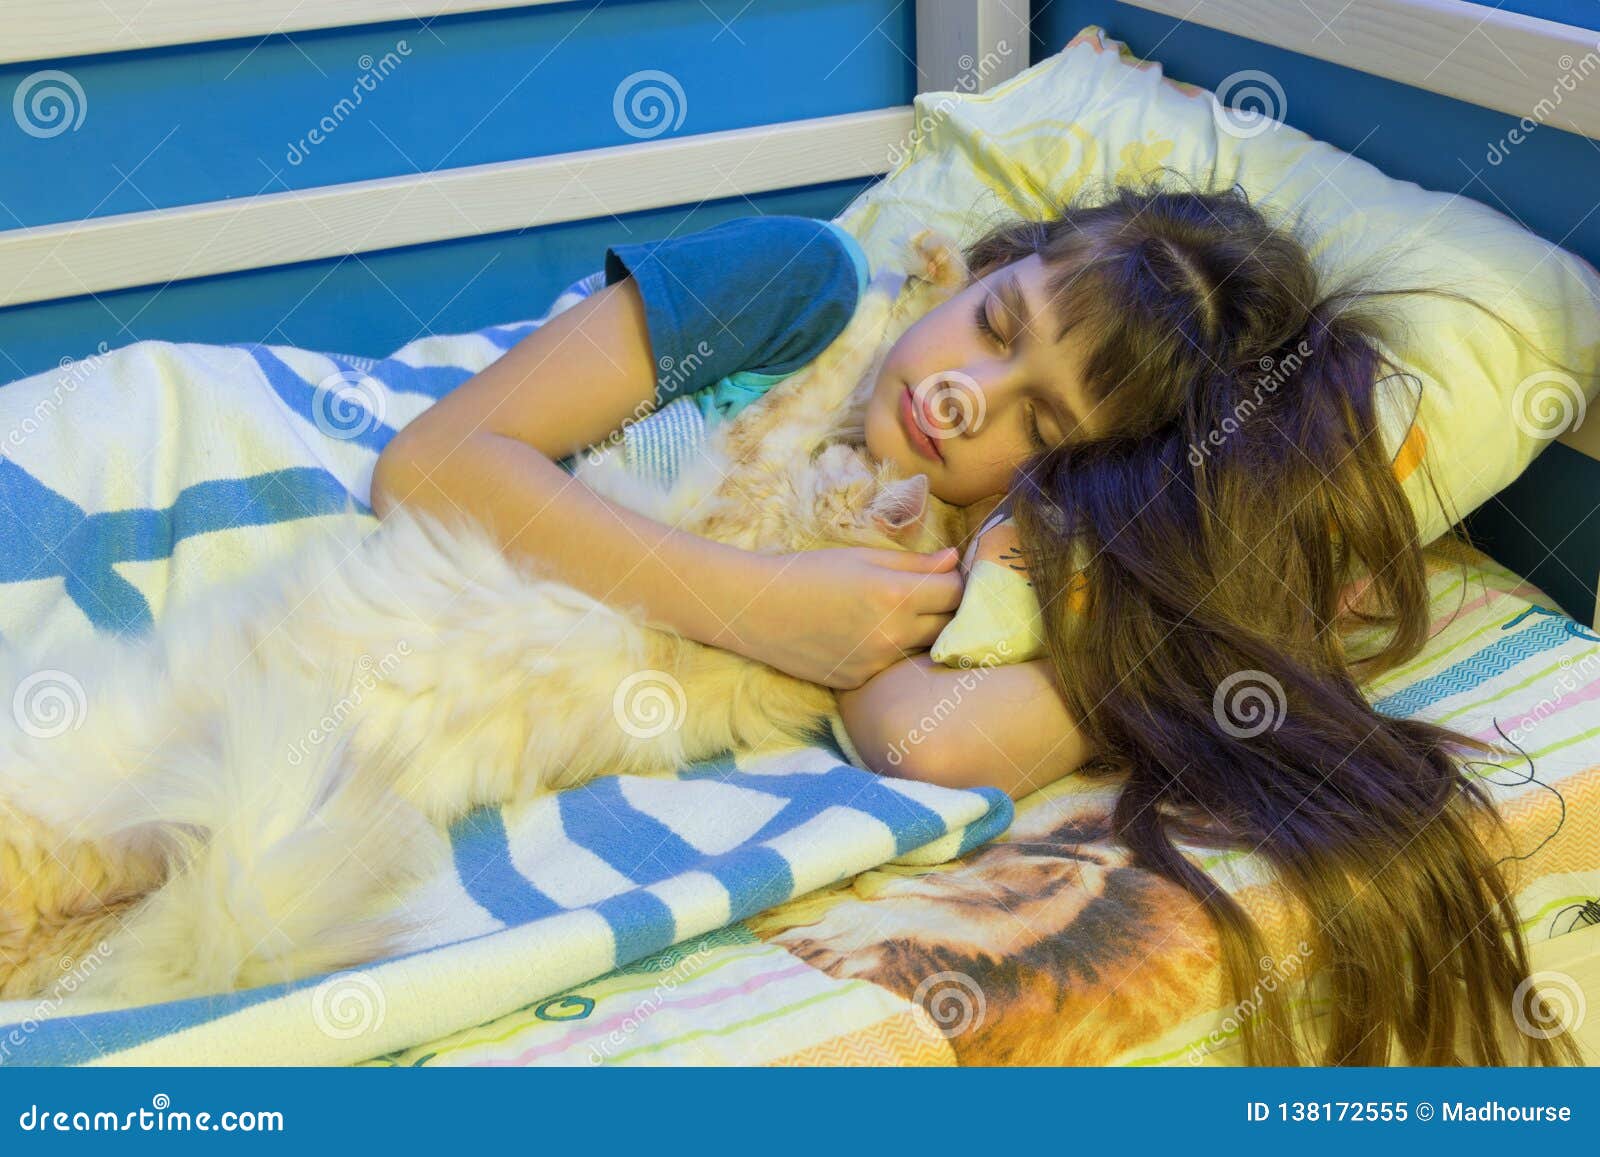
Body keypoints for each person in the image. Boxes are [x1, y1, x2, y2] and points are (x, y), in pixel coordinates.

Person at [373, 184, 1580, 1065]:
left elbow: (930, 739)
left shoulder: (970, 547)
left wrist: (1243, 613)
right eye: (997, 327)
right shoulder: (797, 285)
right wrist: (759, 601)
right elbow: (430, 465)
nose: (965, 396)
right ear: (990, 264)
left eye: (1038, 424)